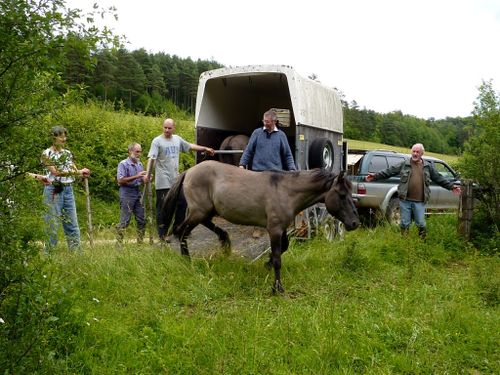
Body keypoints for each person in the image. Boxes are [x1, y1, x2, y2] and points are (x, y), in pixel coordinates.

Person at [365, 143, 461, 238]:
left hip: (420, 201)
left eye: (417, 152)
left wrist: (452, 187)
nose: (415, 154)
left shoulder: (428, 167)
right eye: (413, 151)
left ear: (422, 153)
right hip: (405, 200)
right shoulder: (404, 164)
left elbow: (439, 179)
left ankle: (422, 241)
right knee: (404, 223)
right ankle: (405, 242)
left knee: (420, 223)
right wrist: (375, 176)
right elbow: (389, 171)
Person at [146, 118, 215, 243]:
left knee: (182, 204)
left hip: (175, 181)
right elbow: (151, 159)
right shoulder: (157, 141)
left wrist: (204, 148)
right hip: (162, 181)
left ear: (174, 128)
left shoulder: (177, 139)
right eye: (165, 127)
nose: (167, 130)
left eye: (169, 128)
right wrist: (148, 174)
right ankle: (162, 234)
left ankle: (177, 229)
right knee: (163, 208)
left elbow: (189, 146)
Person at [239, 109, 296, 237]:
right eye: (264, 121)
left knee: (275, 201)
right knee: (257, 201)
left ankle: (275, 226)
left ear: (275, 121)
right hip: (259, 173)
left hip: (276, 175)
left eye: (268, 122)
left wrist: (292, 169)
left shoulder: (281, 135)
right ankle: (257, 228)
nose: (265, 123)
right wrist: (242, 164)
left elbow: (287, 154)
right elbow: (248, 150)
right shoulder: (257, 133)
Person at [41, 126, 90, 253]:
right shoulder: (46, 154)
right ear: (53, 137)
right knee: (52, 224)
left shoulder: (67, 153)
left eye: (65, 136)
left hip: (68, 190)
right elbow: (56, 173)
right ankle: (49, 255)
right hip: (54, 189)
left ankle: (77, 254)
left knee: (72, 223)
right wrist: (77, 172)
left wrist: (82, 173)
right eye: (61, 136)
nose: (64, 139)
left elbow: (74, 171)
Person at [116, 143, 147, 246]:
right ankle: (119, 245)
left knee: (142, 219)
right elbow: (120, 180)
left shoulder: (140, 164)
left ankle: (140, 244)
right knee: (125, 221)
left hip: (138, 192)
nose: (139, 154)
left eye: (140, 151)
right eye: (137, 151)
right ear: (130, 151)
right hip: (126, 193)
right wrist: (137, 176)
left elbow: (141, 179)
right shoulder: (123, 164)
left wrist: (146, 178)